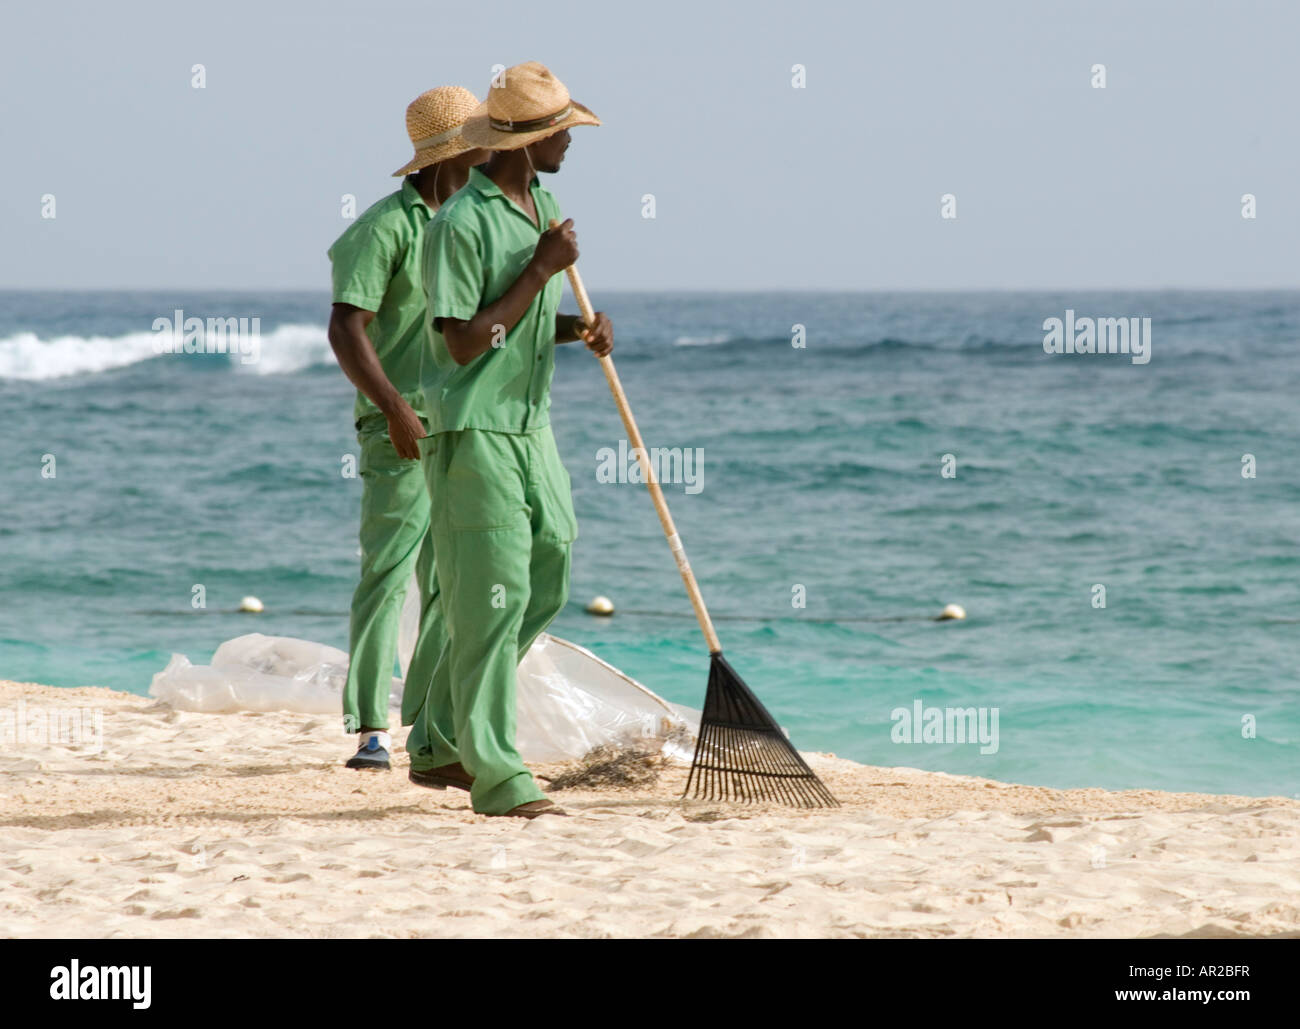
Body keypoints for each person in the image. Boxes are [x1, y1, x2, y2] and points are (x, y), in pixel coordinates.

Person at [406, 62, 613, 817]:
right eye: (563, 131)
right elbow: (464, 341)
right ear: (528, 140)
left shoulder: (545, 204)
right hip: (472, 431)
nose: (571, 144)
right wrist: (540, 269)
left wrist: (573, 327)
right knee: (494, 599)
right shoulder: (457, 225)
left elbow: (514, 325)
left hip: (531, 426)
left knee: (549, 569)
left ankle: (436, 729)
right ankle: (496, 774)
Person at [326, 87, 485, 769]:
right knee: (389, 572)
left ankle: (427, 715)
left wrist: (574, 329)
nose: (491, 158)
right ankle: (368, 726)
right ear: (454, 154)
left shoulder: (467, 228)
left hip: (458, 425)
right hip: (398, 425)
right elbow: (344, 326)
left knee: (450, 577)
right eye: (483, 146)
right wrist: (392, 406)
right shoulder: (384, 228)